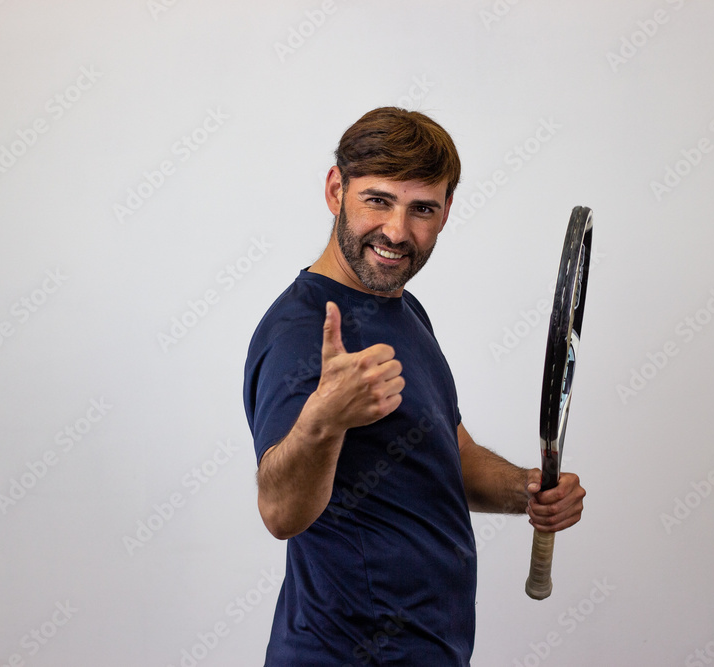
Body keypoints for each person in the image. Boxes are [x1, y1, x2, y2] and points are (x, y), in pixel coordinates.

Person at [243, 107, 585, 666]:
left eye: (421, 208)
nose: (398, 232)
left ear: (447, 212)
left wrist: (527, 489)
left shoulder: (404, 310)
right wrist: (324, 418)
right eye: (378, 200)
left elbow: (453, 455)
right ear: (337, 190)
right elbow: (280, 512)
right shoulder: (304, 331)